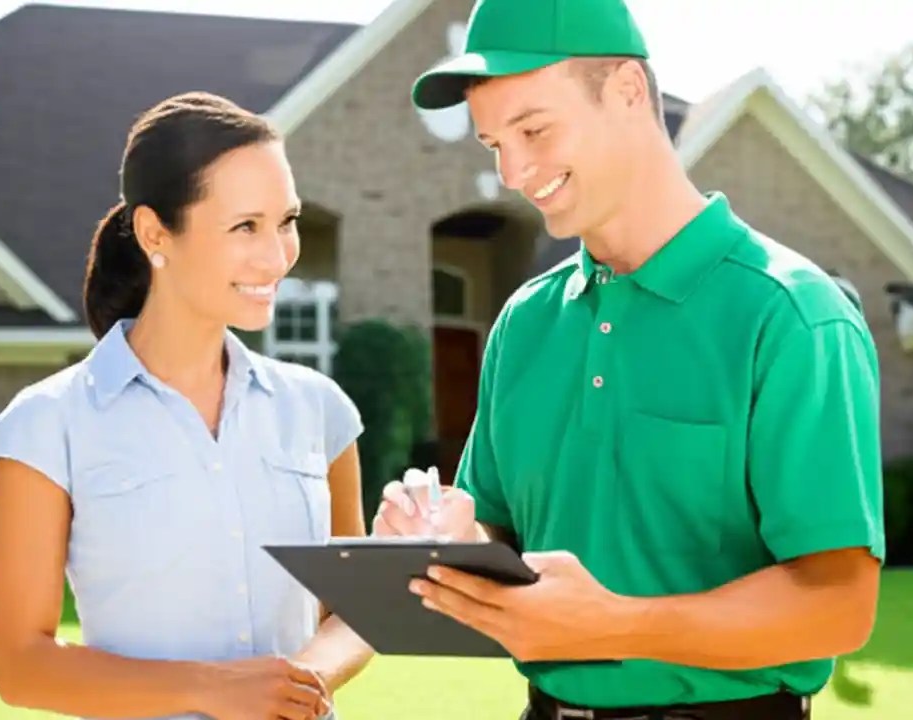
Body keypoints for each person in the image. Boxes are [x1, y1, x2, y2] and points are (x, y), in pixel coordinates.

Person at [373, 1, 885, 718]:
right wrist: (449, 536)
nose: (514, 171)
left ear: (627, 92)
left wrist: (617, 622)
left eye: (535, 129)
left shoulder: (791, 315)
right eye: (493, 144)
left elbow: (839, 605)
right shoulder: (525, 323)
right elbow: (497, 528)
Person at [0, 91, 373, 720]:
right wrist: (212, 689)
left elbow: (352, 610)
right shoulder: (46, 425)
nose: (277, 256)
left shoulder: (317, 409)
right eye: (245, 226)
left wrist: (297, 683)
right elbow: (21, 664)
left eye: (287, 221)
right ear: (154, 232)